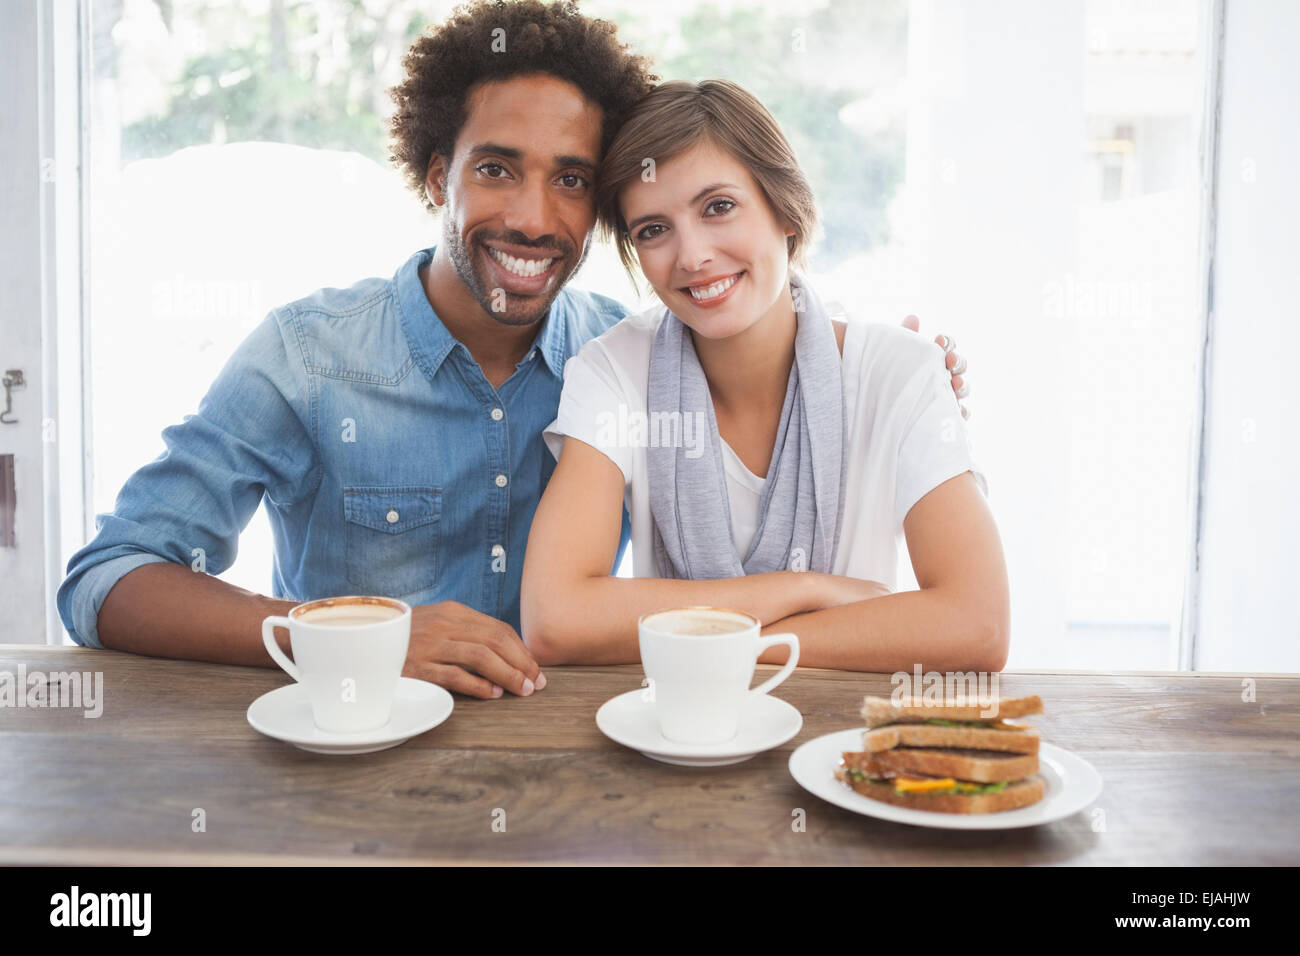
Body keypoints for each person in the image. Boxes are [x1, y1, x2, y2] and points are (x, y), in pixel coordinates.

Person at [56, 2, 969, 699]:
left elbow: (754, 315)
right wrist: (339, 634)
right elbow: (107, 580)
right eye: (496, 169)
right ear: (433, 176)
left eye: (570, 180)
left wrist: (904, 383)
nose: (535, 218)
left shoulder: (624, 354)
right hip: (346, 757)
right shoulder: (309, 355)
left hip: (572, 769)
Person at [521, 80, 1008, 674]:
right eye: (653, 230)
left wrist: (728, 645)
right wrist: (802, 589)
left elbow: (976, 625)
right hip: (674, 735)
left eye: (718, 207)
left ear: (783, 206)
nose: (692, 255)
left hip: (839, 742)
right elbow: (556, 618)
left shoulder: (898, 372)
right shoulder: (616, 369)